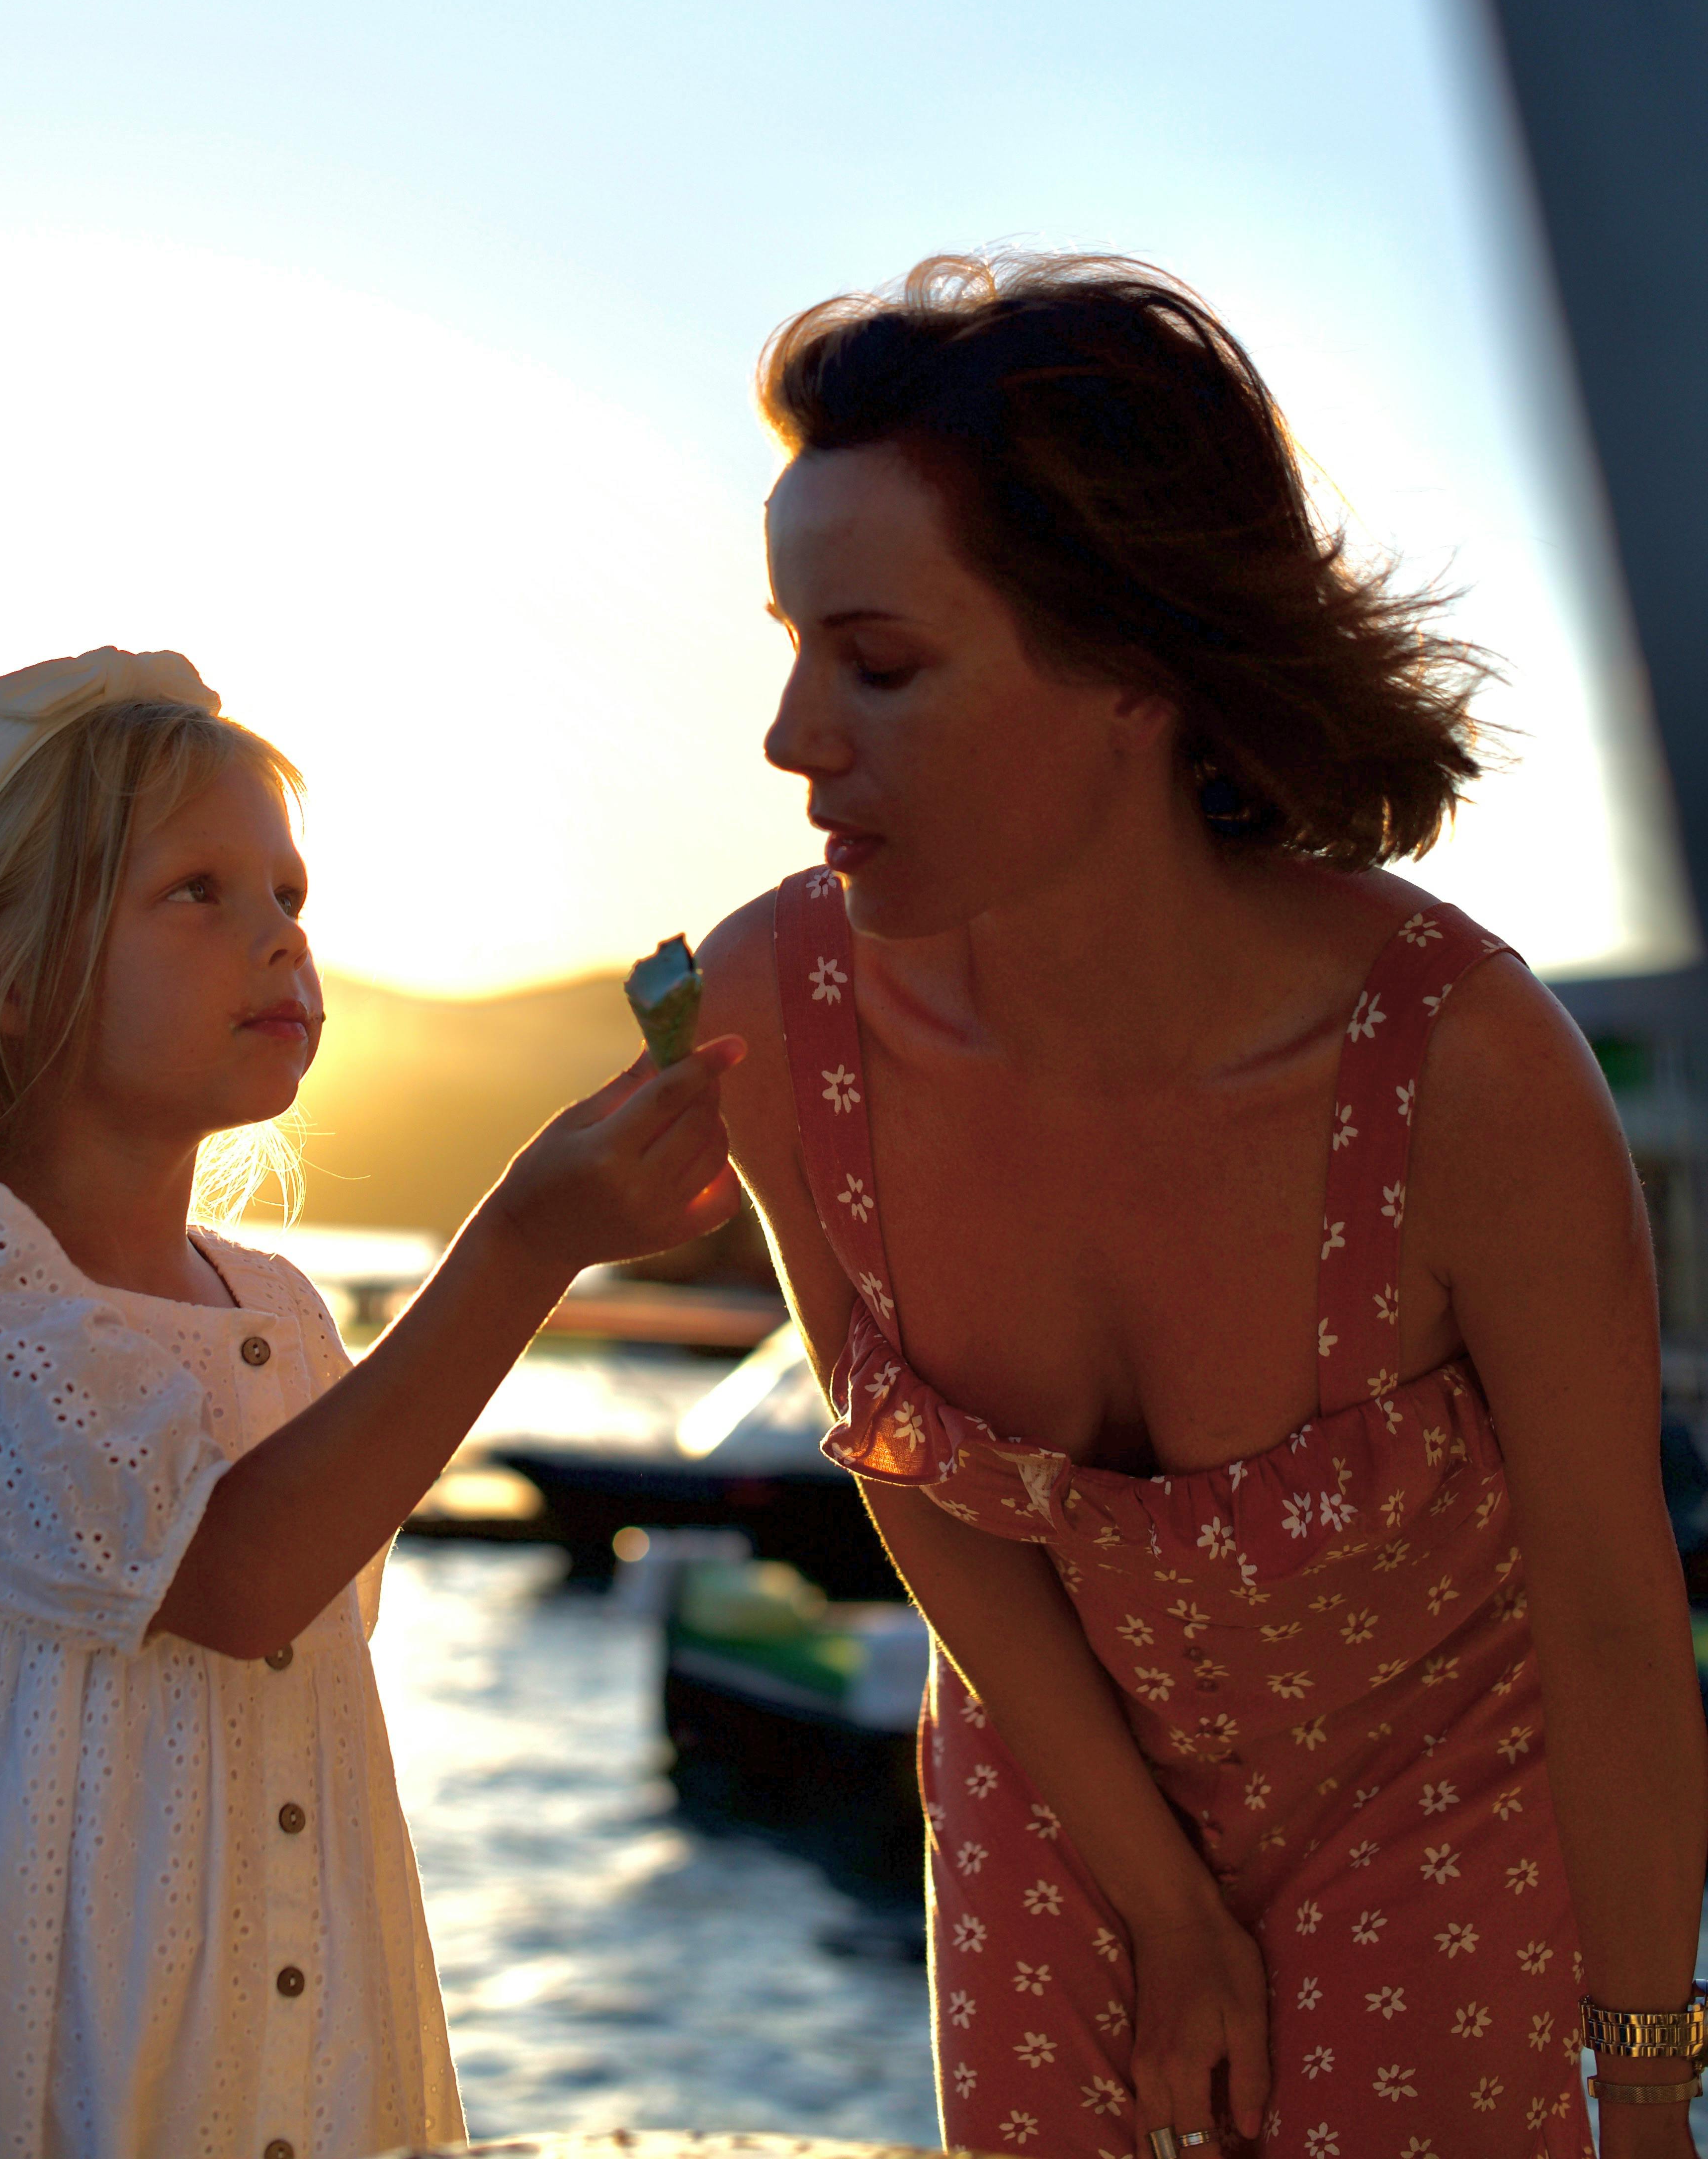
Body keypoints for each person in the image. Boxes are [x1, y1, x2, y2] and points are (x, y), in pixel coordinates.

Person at [697, 255, 1706, 2159]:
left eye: (881, 660)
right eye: (793, 643)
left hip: (1439, 1812)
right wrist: (1162, 1907)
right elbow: (910, 1479)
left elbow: (1610, 1614)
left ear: (1134, 672)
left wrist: (1647, 2090)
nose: (793, 735)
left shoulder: (1461, 1071)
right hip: (1049, 1787)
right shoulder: (779, 1021)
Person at [0, 648, 741, 2159]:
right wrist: (527, 1239)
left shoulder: (281, 1312)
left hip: (253, 2052)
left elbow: (293, 1678)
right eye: (198, 891)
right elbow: (236, 1575)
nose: (274, 935)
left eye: (291, 896)